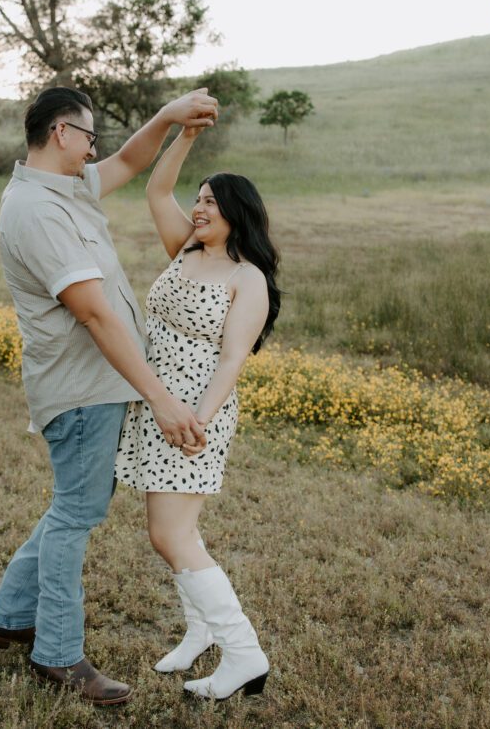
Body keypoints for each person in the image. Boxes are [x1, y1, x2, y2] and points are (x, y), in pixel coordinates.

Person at [0, 86, 219, 706]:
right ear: (62, 132)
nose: (95, 150)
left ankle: (8, 617)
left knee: (73, 505)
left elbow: (133, 163)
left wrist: (169, 119)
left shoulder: (66, 187)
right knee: (76, 515)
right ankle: (58, 653)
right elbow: (94, 314)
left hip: (96, 386)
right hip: (81, 388)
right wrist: (162, 399)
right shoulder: (36, 210)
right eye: (89, 137)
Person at [114, 123, 281, 700]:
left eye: (211, 201)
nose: (199, 207)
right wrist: (184, 134)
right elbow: (157, 192)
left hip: (192, 415)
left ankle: (244, 653)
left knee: (169, 534)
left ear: (238, 212)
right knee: (178, 531)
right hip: (154, 406)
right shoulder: (186, 248)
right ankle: (200, 630)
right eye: (201, 197)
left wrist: (197, 423)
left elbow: (233, 359)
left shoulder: (247, 278)